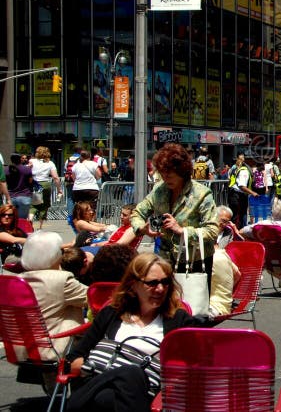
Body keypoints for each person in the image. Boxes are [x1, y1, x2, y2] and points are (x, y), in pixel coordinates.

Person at [65, 253, 196, 411]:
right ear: (133, 284)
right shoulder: (111, 313)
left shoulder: (179, 321)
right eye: (152, 283)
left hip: (144, 393)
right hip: (96, 385)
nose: (160, 289)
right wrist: (110, 372)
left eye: (165, 282)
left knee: (123, 384)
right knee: (128, 375)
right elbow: (73, 359)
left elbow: (191, 368)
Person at [130, 143, 219, 280]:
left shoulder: (202, 194)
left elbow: (212, 230)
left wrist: (182, 230)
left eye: (170, 175)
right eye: (163, 174)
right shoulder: (159, 190)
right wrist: (142, 228)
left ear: (182, 171)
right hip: (165, 260)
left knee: (191, 301)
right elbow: (137, 212)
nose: (166, 179)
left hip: (194, 261)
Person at [19, 231, 88, 361]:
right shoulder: (61, 280)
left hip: (21, 348)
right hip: (55, 348)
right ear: (54, 255)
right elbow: (95, 298)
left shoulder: (19, 280)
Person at [29, 146, 63, 229]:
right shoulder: (50, 163)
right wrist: (59, 189)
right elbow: (55, 177)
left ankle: (30, 219)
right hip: (45, 184)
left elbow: (27, 171)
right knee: (44, 205)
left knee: (33, 205)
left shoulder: (32, 161)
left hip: (34, 184)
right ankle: (40, 226)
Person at [228, 153, 257, 228]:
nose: (241, 161)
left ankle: (239, 230)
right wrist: (253, 193)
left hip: (238, 194)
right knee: (237, 216)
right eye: (240, 159)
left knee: (241, 215)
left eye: (242, 159)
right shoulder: (243, 171)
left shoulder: (238, 169)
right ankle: (236, 232)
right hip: (236, 194)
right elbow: (241, 186)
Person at [6, 153, 34, 221]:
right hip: (25, 196)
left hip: (11, 196)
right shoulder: (26, 169)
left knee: (12, 219)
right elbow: (30, 181)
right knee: (22, 220)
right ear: (20, 160)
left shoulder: (6, 170)